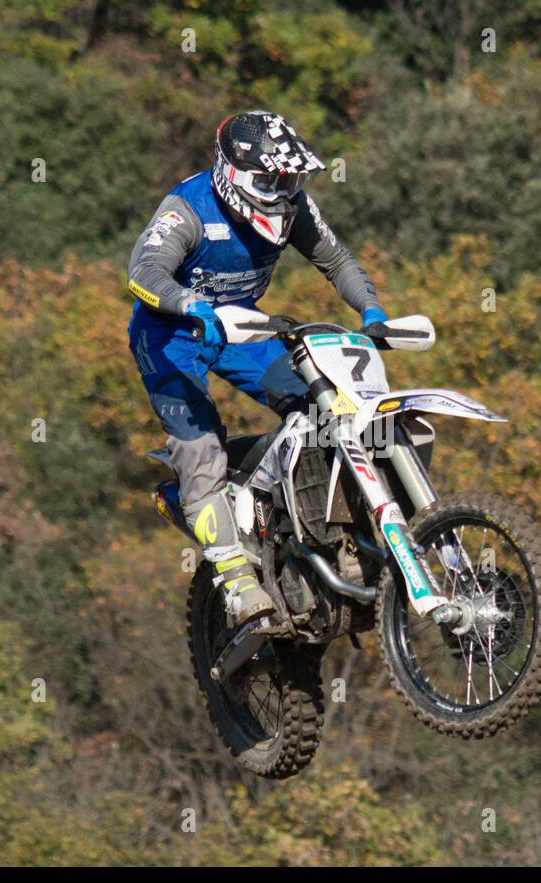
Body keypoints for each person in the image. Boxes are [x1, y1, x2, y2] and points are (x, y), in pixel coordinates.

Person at [127, 110, 388, 627]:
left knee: (325, 404)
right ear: (235, 173)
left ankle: (332, 527)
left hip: (245, 330)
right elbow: (143, 269)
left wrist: (371, 309)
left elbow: (336, 262)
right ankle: (236, 578)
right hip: (171, 334)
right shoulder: (188, 210)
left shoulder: (295, 210)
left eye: (291, 179)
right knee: (200, 448)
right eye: (272, 180)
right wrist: (187, 303)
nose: (284, 190)